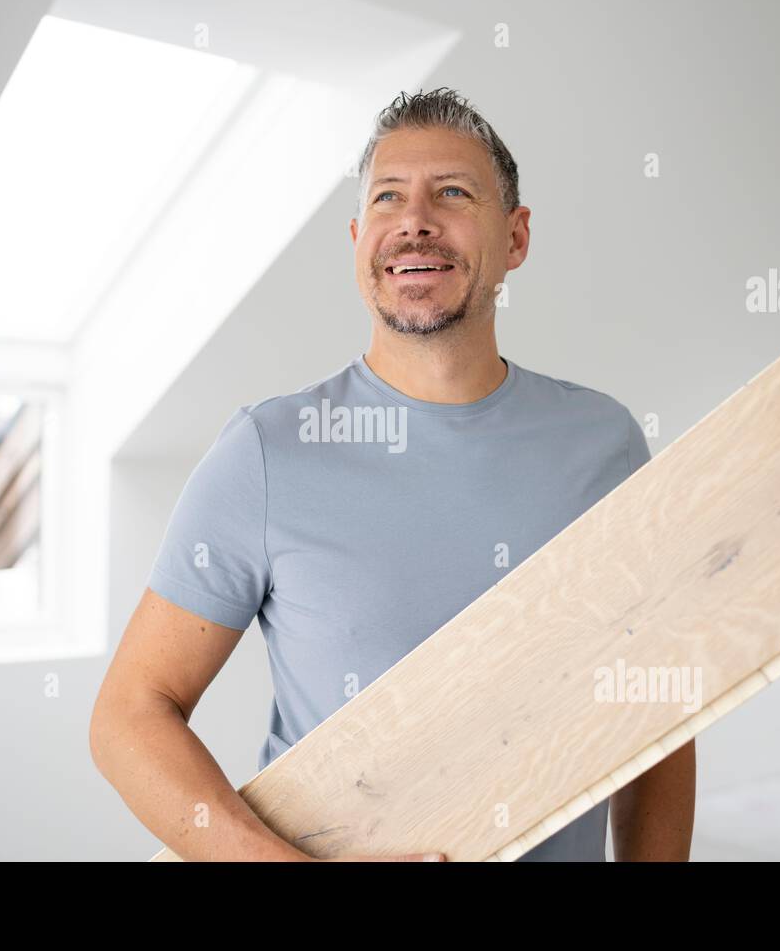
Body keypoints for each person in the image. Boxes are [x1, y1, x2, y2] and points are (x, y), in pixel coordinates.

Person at [90, 86, 695, 862]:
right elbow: (130, 714)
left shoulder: (604, 443)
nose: (415, 219)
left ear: (516, 237)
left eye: (452, 193)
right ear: (357, 239)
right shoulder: (267, 451)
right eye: (387, 197)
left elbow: (656, 710)